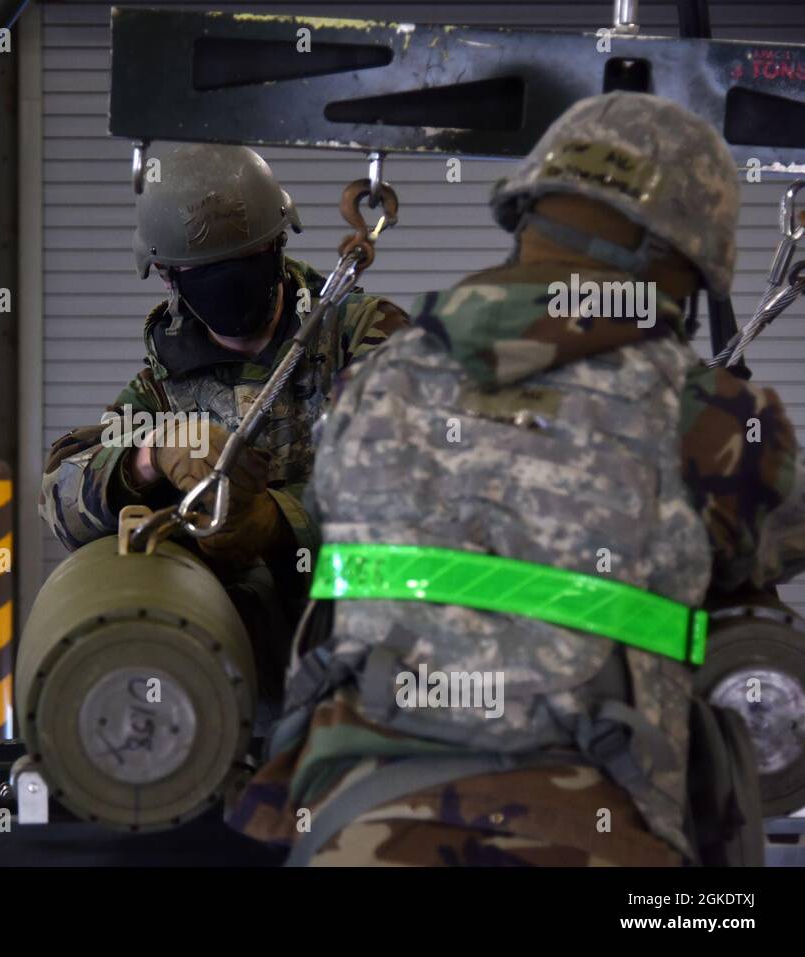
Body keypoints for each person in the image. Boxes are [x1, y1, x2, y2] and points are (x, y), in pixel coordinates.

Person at [230, 92, 805, 865]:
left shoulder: (378, 383)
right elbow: (775, 545)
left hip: (350, 828)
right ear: (682, 258)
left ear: (527, 220)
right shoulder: (709, 418)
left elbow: (342, 514)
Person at [39, 143, 410, 708]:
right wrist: (149, 456)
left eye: (249, 258)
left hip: (378, 684)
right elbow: (62, 505)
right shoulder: (163, 390)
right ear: (167, 277)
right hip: (239, 697)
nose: (230, 285)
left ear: (279, 245)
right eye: (204, 273)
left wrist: (279, 522)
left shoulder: (361, 336)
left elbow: (414, 489)